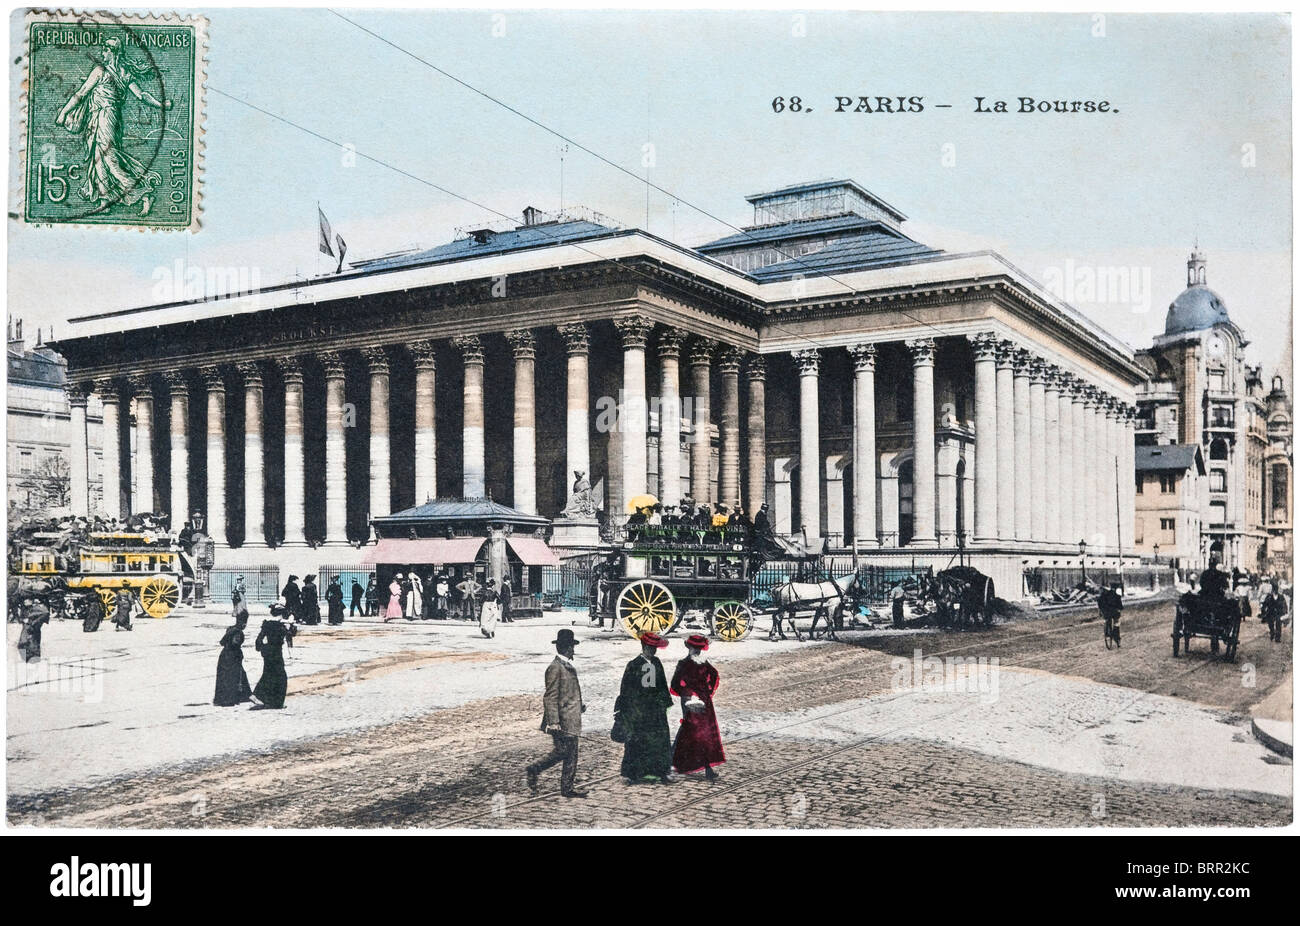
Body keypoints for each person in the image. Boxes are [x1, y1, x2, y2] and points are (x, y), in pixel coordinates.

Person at [525, 628, 587, 798]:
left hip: (569, 717)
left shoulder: (564, 666)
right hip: (562, 721)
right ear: (567, 648)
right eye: (572, 647)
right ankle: (536, 769)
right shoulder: (555, 667)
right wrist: (554, 722)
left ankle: (566, 787)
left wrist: (579, 705)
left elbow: (567, 692)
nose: (574, 650)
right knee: (564, 752)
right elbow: (550, 697)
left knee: (568, 752)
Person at [616, 632, 675, 784]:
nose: (653, 651)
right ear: (644, 647)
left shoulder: (656, 663)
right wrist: (627, 710)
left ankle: (662, 772)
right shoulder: (633, 664)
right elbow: (626, 689)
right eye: (650, 648)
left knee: (659, 740)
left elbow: (662, 685)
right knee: (636, 740)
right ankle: (632, 774)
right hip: (639, 711)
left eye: (654, 648)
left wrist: (664, 704)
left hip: (656, 710)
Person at [670, 634, 725, 781]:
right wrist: (704, 691)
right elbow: (714, 677)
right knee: (696, 731)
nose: (697, 651)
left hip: (697, 700)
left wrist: (686, 693)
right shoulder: (699, 663)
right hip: (696, 700)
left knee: (699, 732)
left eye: (698, 648)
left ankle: (674, 759)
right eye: (696, 648)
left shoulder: (688, 663)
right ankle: (677, 760)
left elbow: (675, 684)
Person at [251, 610, 294, 710]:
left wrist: (262, 648)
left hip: (268, 653)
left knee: (268, 674)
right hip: (276, 653)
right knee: (281, 677)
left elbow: (259, 639)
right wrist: (291, 626)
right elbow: (290, 635)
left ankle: (259, 696)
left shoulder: (267, 624)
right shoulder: (281, 626)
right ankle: (276, 702)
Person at [213, 613, 252, 707]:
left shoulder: (230, 629)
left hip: (224, 655)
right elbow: (235, 643)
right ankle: (231, 698)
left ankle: (221, 698)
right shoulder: (237, 632)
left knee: (224, 677)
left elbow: (223, 642)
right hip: (232, 656)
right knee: (232, 676)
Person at [16, 597, 50, 662]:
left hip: (33, 628)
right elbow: (21, 618)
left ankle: (32, 660)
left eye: (27, 599)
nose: (24, 601)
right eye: (24, 600)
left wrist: (33, 622)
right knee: (22, 644)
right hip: (26, 628)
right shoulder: (25, 608)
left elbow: (46, 613)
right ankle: (27, 659)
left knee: (32, 644)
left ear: (31, 601)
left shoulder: (36, 608)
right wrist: (23, 620)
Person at [1098, 583, 1123, 647]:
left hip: (1106, 613)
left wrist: (1100, 612)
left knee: (1107, 620)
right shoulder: (1116, 595)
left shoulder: (1102, 596)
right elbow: (1120, 606)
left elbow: (1099, 604)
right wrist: (1119, 609)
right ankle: (1117, 637)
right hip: (1114, 612)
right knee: (1116, 623)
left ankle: (1107, 632)